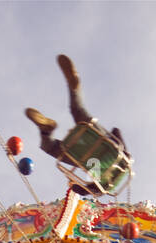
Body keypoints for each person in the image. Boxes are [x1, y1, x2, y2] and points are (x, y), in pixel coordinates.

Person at [24, 55, 129, 197]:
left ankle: (73, 87)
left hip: (104, 144)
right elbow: (85, 190)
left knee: (77, 110)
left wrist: (114, 140)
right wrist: (74, 186)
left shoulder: (124, 160)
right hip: (87, 159)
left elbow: (116, 130)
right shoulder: (103, 183)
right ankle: (46, 131)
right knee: (51, 148)